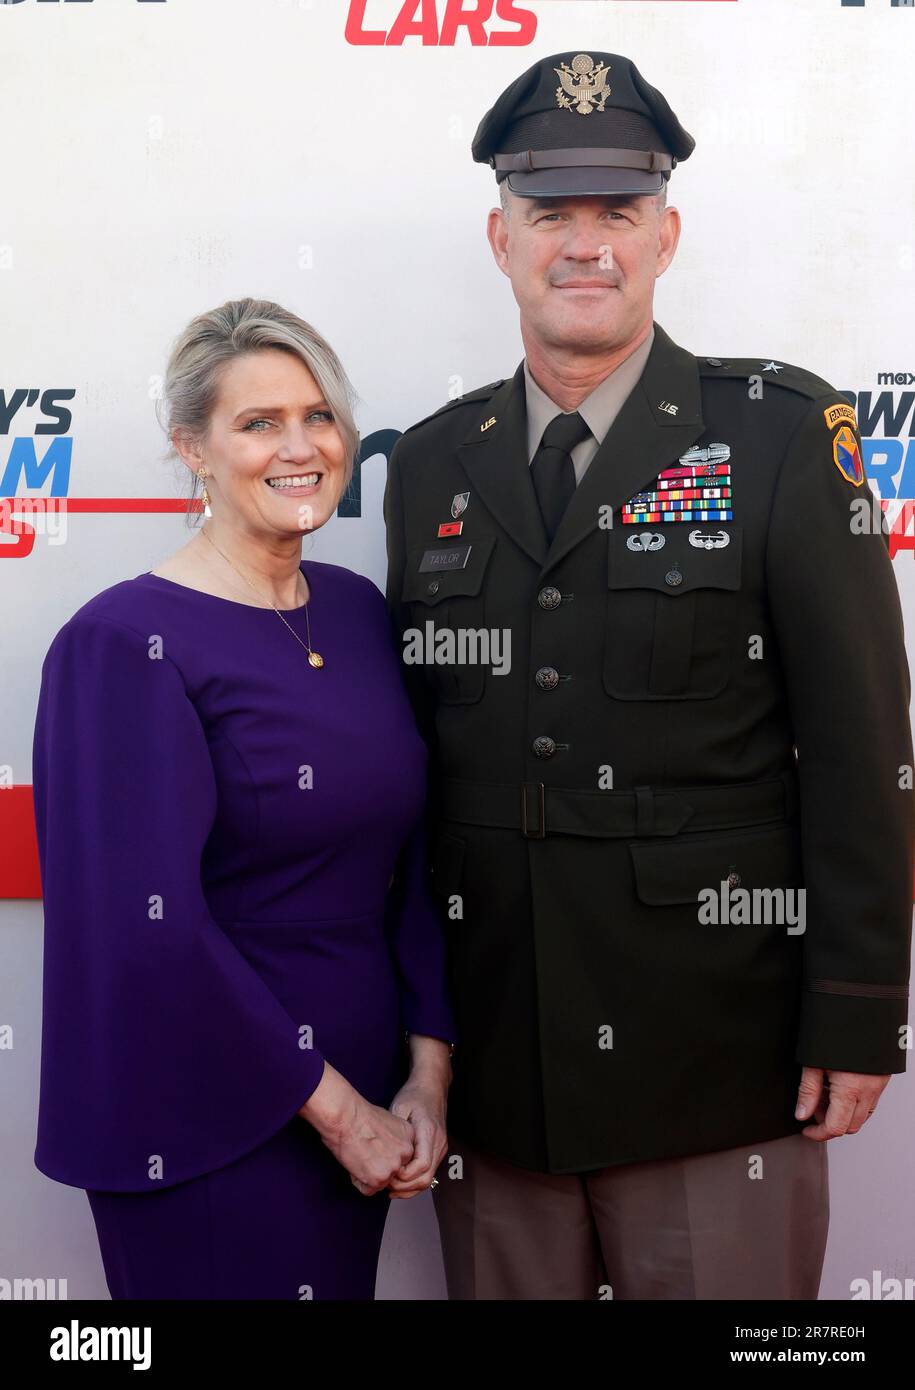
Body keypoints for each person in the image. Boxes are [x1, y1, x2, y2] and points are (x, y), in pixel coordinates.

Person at [383, 51, 914, 1300]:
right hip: (495, 1064)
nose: (585, 245)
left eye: (617, 212)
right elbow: (417, 764)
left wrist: (856, 1008)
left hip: (714, 1062)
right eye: (548, 213)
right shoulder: (432, 462)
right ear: (501, 239)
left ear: (665, 237)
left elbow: (862, 749)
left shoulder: (780, 435)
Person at [31, 297, 456, 1300]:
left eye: (319, 416)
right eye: (259, 422)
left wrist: (427, 1073)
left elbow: (410, 862)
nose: (300, 448)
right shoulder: (120, 642)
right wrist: (339, 1114)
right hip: (204, 1118)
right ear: (193, 448)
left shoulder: (355, 612)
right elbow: (146, 930)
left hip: (365, 1098)